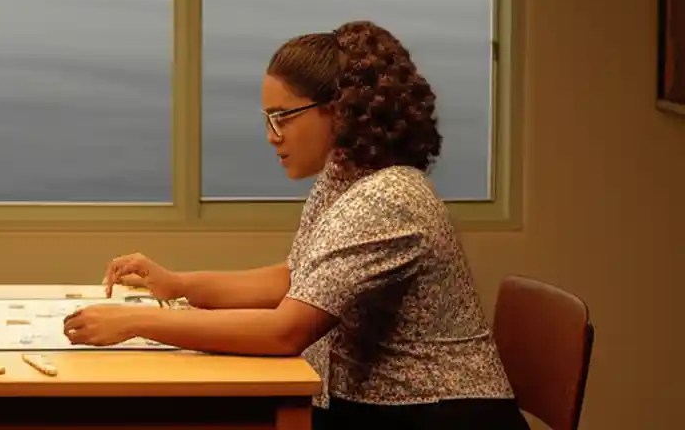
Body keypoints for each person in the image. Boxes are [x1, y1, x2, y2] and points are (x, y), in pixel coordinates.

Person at [64, 21, 529, 429]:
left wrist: (136, 322)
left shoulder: (389, 198)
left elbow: (286, 331)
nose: (271, 135)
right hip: (372, 409)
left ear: (340, 108)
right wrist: (177, 284)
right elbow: (298, 279)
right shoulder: (344, 178)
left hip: (434, 416)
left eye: (282, 116)